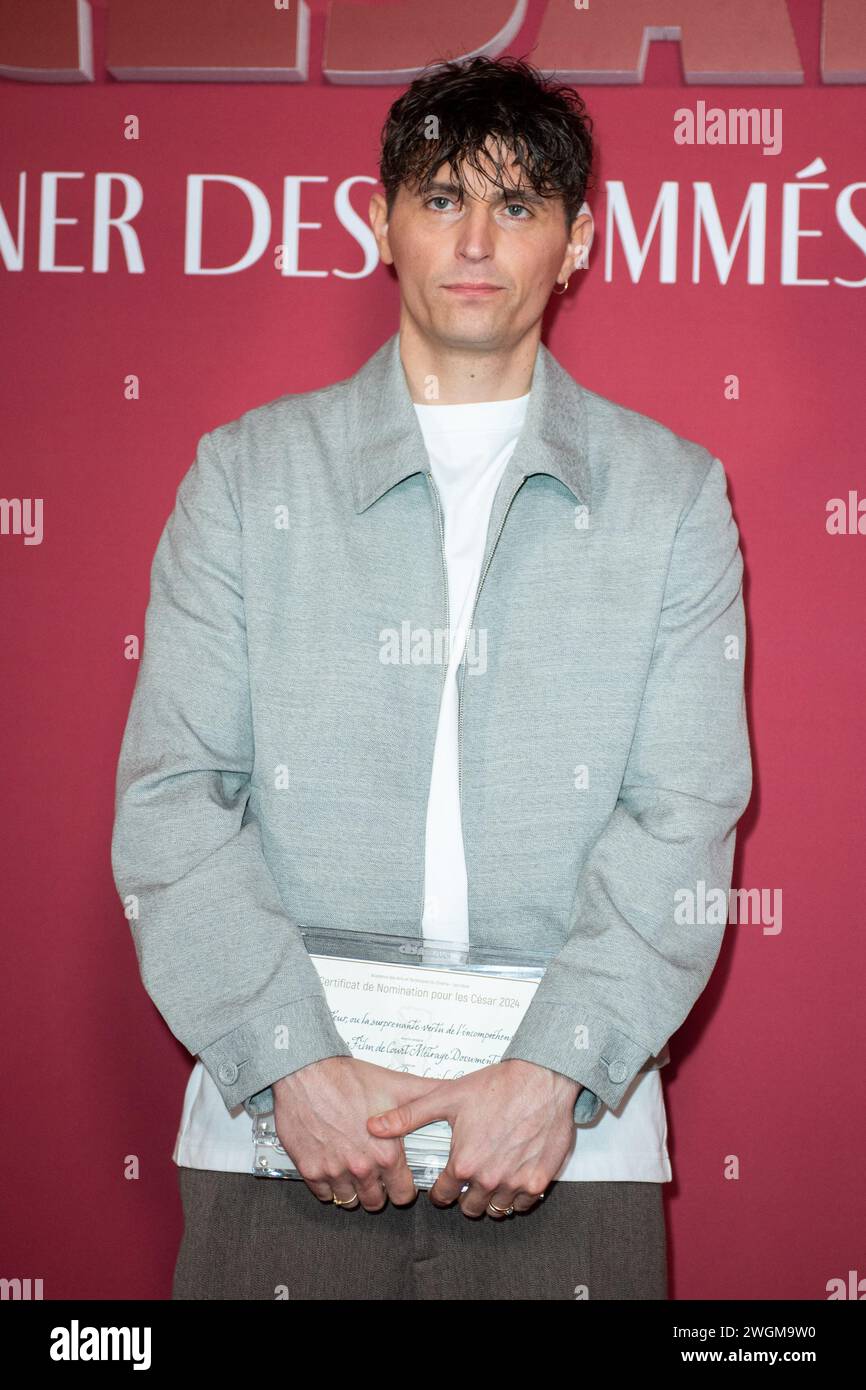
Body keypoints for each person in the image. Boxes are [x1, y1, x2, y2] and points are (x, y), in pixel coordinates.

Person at [111, 55, 752, 1301]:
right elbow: (175, 798)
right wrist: (287, 1060)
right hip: (278, 1137)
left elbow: (685, 815)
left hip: (569, 1143)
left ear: (575, 243)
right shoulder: (245, 477)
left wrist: (556, 1071)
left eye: (517, 207)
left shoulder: (671, 496)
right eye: (441, 194)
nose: (474, 237)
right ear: (377, 223)